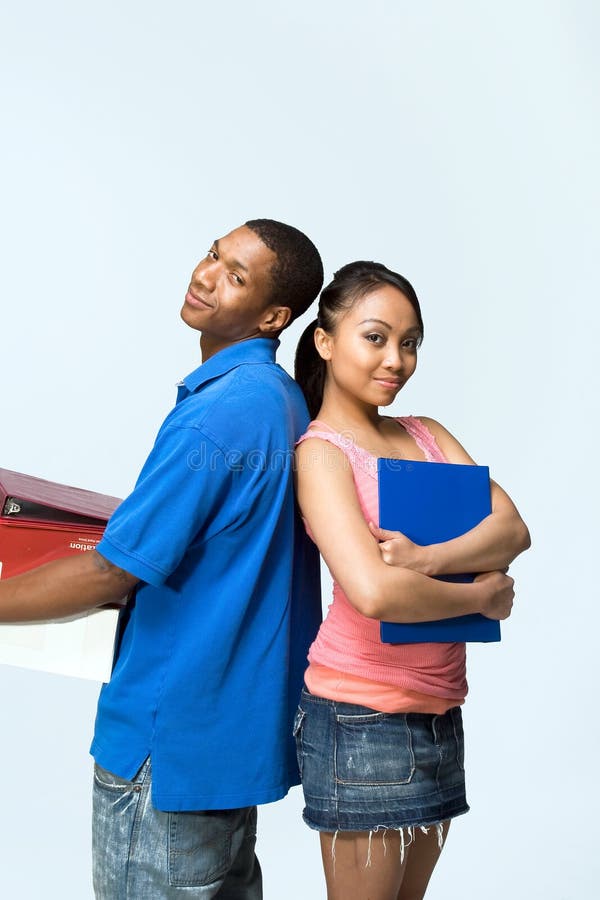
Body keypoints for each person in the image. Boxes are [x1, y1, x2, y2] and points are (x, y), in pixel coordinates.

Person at [0, 219, 324, 899]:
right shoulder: (280, 401)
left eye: (236, 275)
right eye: (213, 254)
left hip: (170, 743)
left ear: (274, 316)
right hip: (231, 738)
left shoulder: (223, 414)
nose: (205, 275)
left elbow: (111, 570)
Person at [293, 261, 530, 900]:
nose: (396, 359)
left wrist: (424, 560)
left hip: (439, 709)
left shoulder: (428, 435)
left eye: (410, 342)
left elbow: (511, 528)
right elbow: (373, 591)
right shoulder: (320, 454)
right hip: (359, 714)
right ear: (325, 340)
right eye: (375, 337)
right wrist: (479, 593)